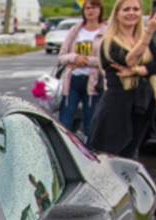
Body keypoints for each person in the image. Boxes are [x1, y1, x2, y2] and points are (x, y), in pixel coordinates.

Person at [87, 0, 156, 159]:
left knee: (131, 153)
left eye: (136, 9)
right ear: (117, 14)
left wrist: (136, 71)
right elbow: (128, 60)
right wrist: (148, 33)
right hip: (118, 104)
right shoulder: (109, 41)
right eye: (126, 9)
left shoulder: (142, 38)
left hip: (141, 103)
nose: (132, 13)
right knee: (112, 154)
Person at [57, 1, 107, 139]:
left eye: (95, 7)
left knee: (91, 123)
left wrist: (88, 61)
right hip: (73, 80)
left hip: (94, 83)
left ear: (100, 10)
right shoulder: (76, 30)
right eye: (88, 8)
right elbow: (61, 56)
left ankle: (90, 154)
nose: (91, 11)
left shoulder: (106, 31)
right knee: (65, 121)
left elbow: (108, 59)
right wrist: (74, 58)